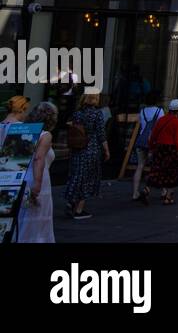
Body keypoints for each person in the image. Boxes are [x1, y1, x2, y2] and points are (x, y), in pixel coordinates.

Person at [63, 92, 109, 221]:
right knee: (88, 179)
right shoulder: (97, 114)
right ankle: (79, 209)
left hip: (77, 149)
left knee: (76, 175)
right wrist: (107, 150)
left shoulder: (77, 113)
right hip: (91, 149)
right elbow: (101, 134)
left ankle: (70, 201)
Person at [16, 101, 56, 242]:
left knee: (24, 219)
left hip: (24, 179)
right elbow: (38, 158)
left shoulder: (24, 131)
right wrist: (37, 184)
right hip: (39, 180)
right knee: (38, 219)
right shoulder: (45, 135)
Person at [146, 99, 178, 205]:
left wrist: (151, 148)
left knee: (157, 169)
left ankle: (147, 189)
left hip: (159, 147)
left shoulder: (161, 119)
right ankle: (168, 197)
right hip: (171, 148)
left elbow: (153, 135)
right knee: (172, 172)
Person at [132, 91, 165, 203]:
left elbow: (142, 125)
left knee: (140, 166)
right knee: (158, 166)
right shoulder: (160, 111)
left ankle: (135, 192)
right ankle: (163, 191)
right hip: (154, 142)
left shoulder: (142, 111)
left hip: (141, 140)